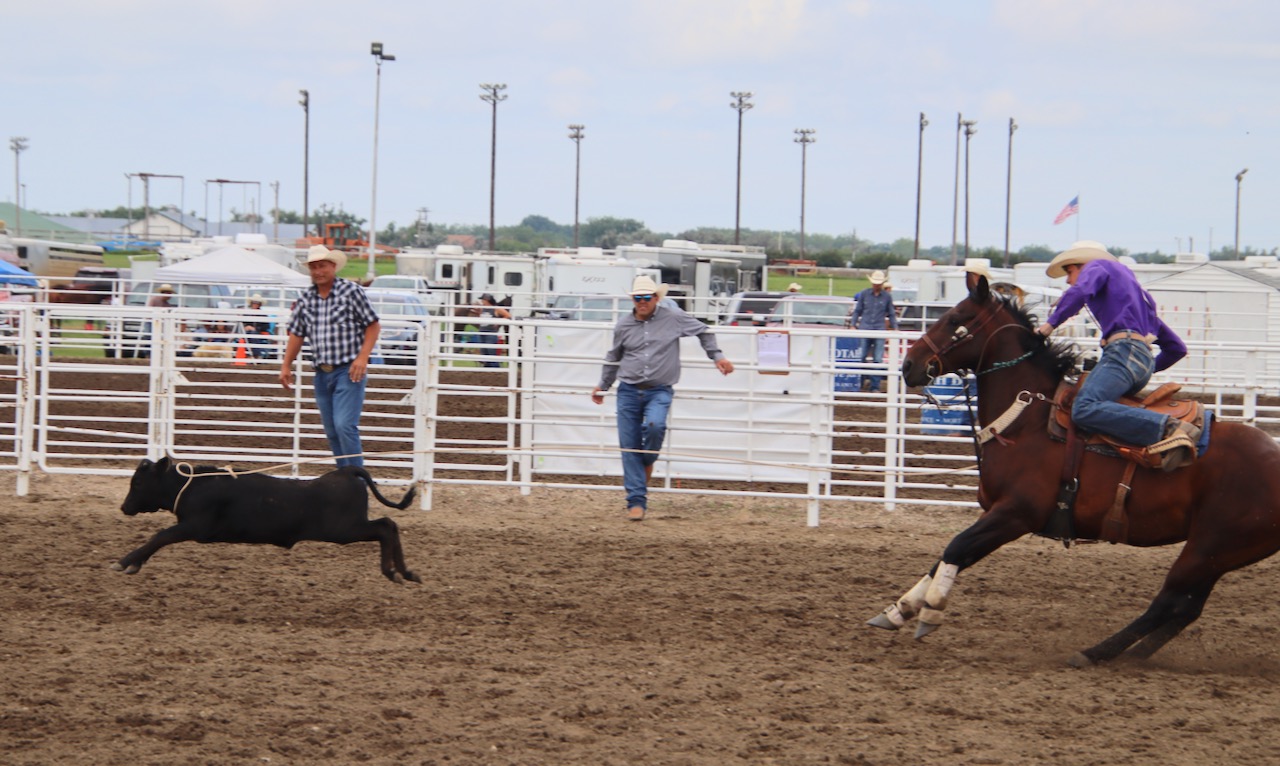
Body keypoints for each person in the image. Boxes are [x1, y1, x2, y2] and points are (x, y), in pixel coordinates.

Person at [1035, 240, 1196, 470]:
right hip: (1136, 362)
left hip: (1122, 354)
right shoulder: (1140, 304)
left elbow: (1079, 291)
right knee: (1102, 411)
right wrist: (1145, 366)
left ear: (1083, 265)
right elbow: (1176, 349)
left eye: (1069, 272)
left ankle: (1169, 427)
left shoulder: (1097, 266)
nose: (1068, 280)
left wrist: (1047, 327)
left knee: (1084, 407)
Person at [591, 276, 735, 521]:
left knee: (655, 426)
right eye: (638, 298)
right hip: (628, 389)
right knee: (629, 445)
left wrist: (717, 356)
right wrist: (603, 385)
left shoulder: (674, 317)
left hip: (659, 389)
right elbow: (614, 357)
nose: (642, 301)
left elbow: (703, 331)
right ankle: (636, 501)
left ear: (656, 298)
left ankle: (648, 461)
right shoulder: (623, 326)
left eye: (646, 297)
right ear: (633, 299)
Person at [280, 245, 381, 468]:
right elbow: (297, 333)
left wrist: (362, 357)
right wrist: (286, 365)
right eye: (314, 267)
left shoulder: (351, 292)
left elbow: (373, 325)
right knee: (333, 430)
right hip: (321, 373)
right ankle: (346, 478)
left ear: (333, 266)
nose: (318, 271)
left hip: (348, 370)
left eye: (322, 266)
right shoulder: (306, 299)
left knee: (344, 425)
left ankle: (356, 480)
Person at [850, 269, 898, 392]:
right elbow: (857, 311)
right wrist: (853, 324)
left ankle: (874, 386)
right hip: (866, 328)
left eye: (878, 283)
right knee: (861, 357)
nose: (877, 285)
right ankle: (860, 383)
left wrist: (895, 328)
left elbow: (891, 313)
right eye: (875, 283)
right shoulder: (864, 294)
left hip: (878, 329)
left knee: (877, 359)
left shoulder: (887, 296)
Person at [475, 293, 511, 368]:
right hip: (482, 331)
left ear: (487, 300)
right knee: (484, 351)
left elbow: (508, 315)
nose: (482, 301)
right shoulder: (482, 308)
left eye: (483, 300)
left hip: (490, 332)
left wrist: (498, 322)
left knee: (490, 351)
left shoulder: (495, 309)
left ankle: (495, 367)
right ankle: (488, 367)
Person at [243, 293, 276, 360]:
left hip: (258, 333)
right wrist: (246, 327)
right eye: (254, 303)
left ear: (259, 304)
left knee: (253, 335)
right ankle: (254, 355)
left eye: (257, 303)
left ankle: (255, 355)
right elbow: (243, 323)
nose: (255, 304)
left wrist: (255, 329)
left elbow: (266, 327)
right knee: (249, 335)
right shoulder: (247, 313)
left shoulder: (263, 315)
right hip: (248, 332)